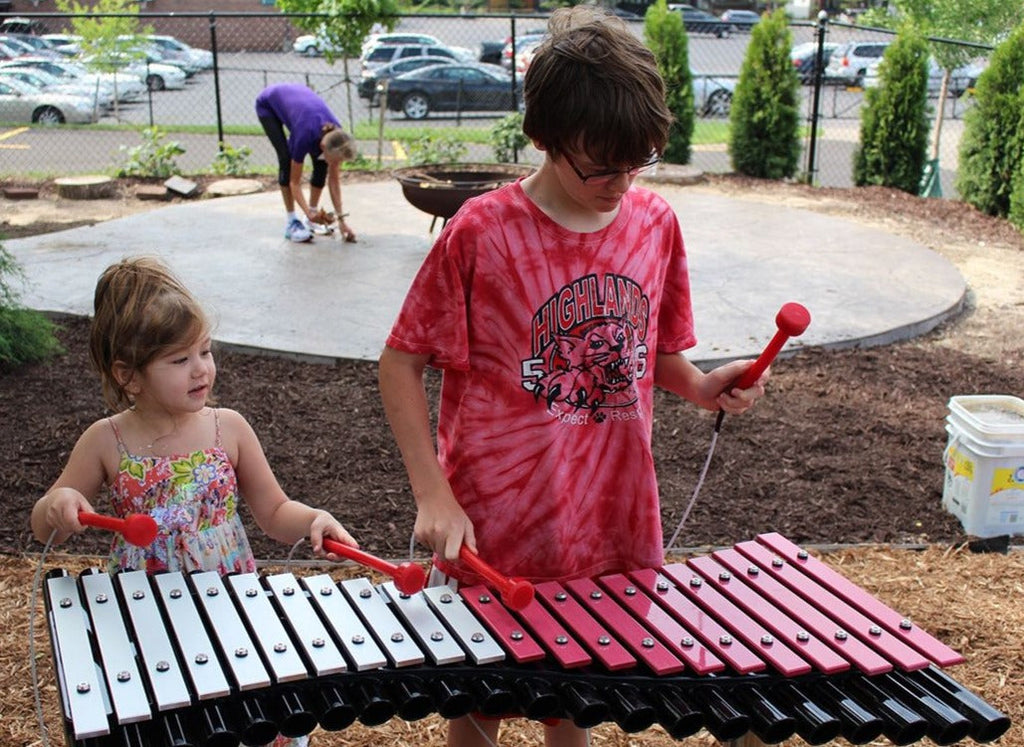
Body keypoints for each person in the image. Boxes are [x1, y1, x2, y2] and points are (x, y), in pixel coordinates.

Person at [377, 6, 767, 746]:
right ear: (545, 137)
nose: (620, 180)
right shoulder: (482, 234)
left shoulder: (654, 223)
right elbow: (399, 362)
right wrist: (433, 492)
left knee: (579, 692)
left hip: (612, 515)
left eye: (638, 159)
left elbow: (649, 357)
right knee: (481, 693)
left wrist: (703, 384)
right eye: (600, 163)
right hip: (499, 521)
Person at [31, 258, 357, 744]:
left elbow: (273, 512)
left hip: (228, 600)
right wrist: (59, 502)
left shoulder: (229, 427)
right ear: (129, 376)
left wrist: (314, 519)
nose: (201, 369)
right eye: (180, 360)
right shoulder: (107, 440)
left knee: (240, 708)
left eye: (205, 351)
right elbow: (45, 525)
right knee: (168, 717)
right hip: (145, 612)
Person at [255, 82, 358, 244]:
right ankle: (292, 222)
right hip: (269, 103)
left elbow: (334, 181)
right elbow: (294, 183)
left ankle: (310, 217)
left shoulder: (337, 136)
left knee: (321, 165)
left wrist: (341, 220)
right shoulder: (304, 136)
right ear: (324, 146)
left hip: (301, 104)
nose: (337, 165)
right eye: (336, 161)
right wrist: (309, 213)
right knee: (286, 159)